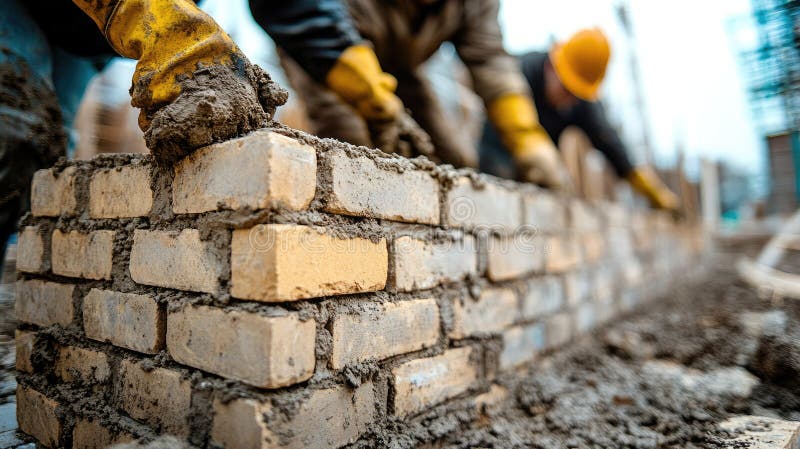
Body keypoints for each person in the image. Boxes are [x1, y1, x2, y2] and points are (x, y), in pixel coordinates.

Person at [0, 0, 417, 269]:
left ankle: (38, 274)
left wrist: (375, 96)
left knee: (42, 155)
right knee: (13, 129)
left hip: (83, 36)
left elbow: (303, 10)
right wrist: (157, 22)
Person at [249, 0, 568, 188]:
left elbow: (490, 60)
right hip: (325, 55)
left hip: (397, 65)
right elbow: (309, 17)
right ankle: (355, 246)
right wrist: (373, 99)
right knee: (354, 149)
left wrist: (527, 140)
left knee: (450, 160)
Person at [480, 28, 679, 210]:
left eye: (578, 95)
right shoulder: (520, 71)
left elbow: (611, 145)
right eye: (567, 90)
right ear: (551, 66)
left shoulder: (581, 103)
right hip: (497, 153)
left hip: (540, 178)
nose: (571, 101)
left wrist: (651, 189)